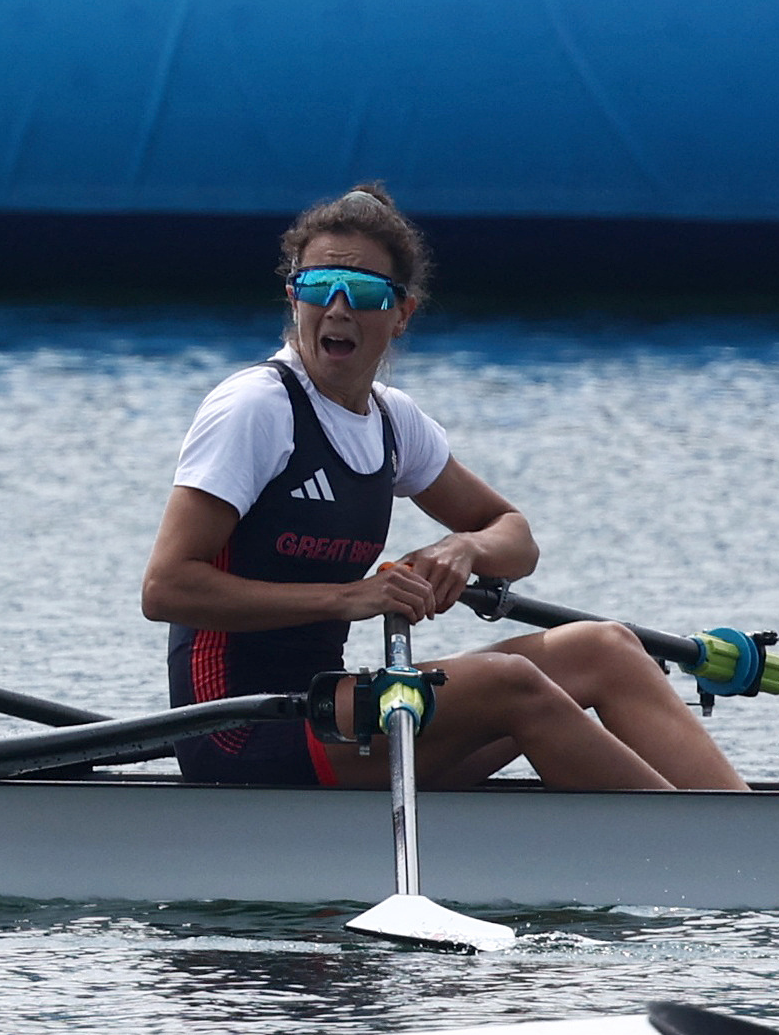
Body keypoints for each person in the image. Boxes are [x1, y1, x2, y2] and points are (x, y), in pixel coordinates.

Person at [140, 184, 747, 791]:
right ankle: (694, 841)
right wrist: (347, 598)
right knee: (509, 682)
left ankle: (738, 824)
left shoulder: (394, 421)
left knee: (605, 648)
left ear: (401, 313)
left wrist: (464, 549)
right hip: (238, 728)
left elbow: (517, 538)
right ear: (294, 297)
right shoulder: (256, 407)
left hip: (331, 708)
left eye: (366, 292)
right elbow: (166, 587)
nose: (339, 308)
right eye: (319, 287)